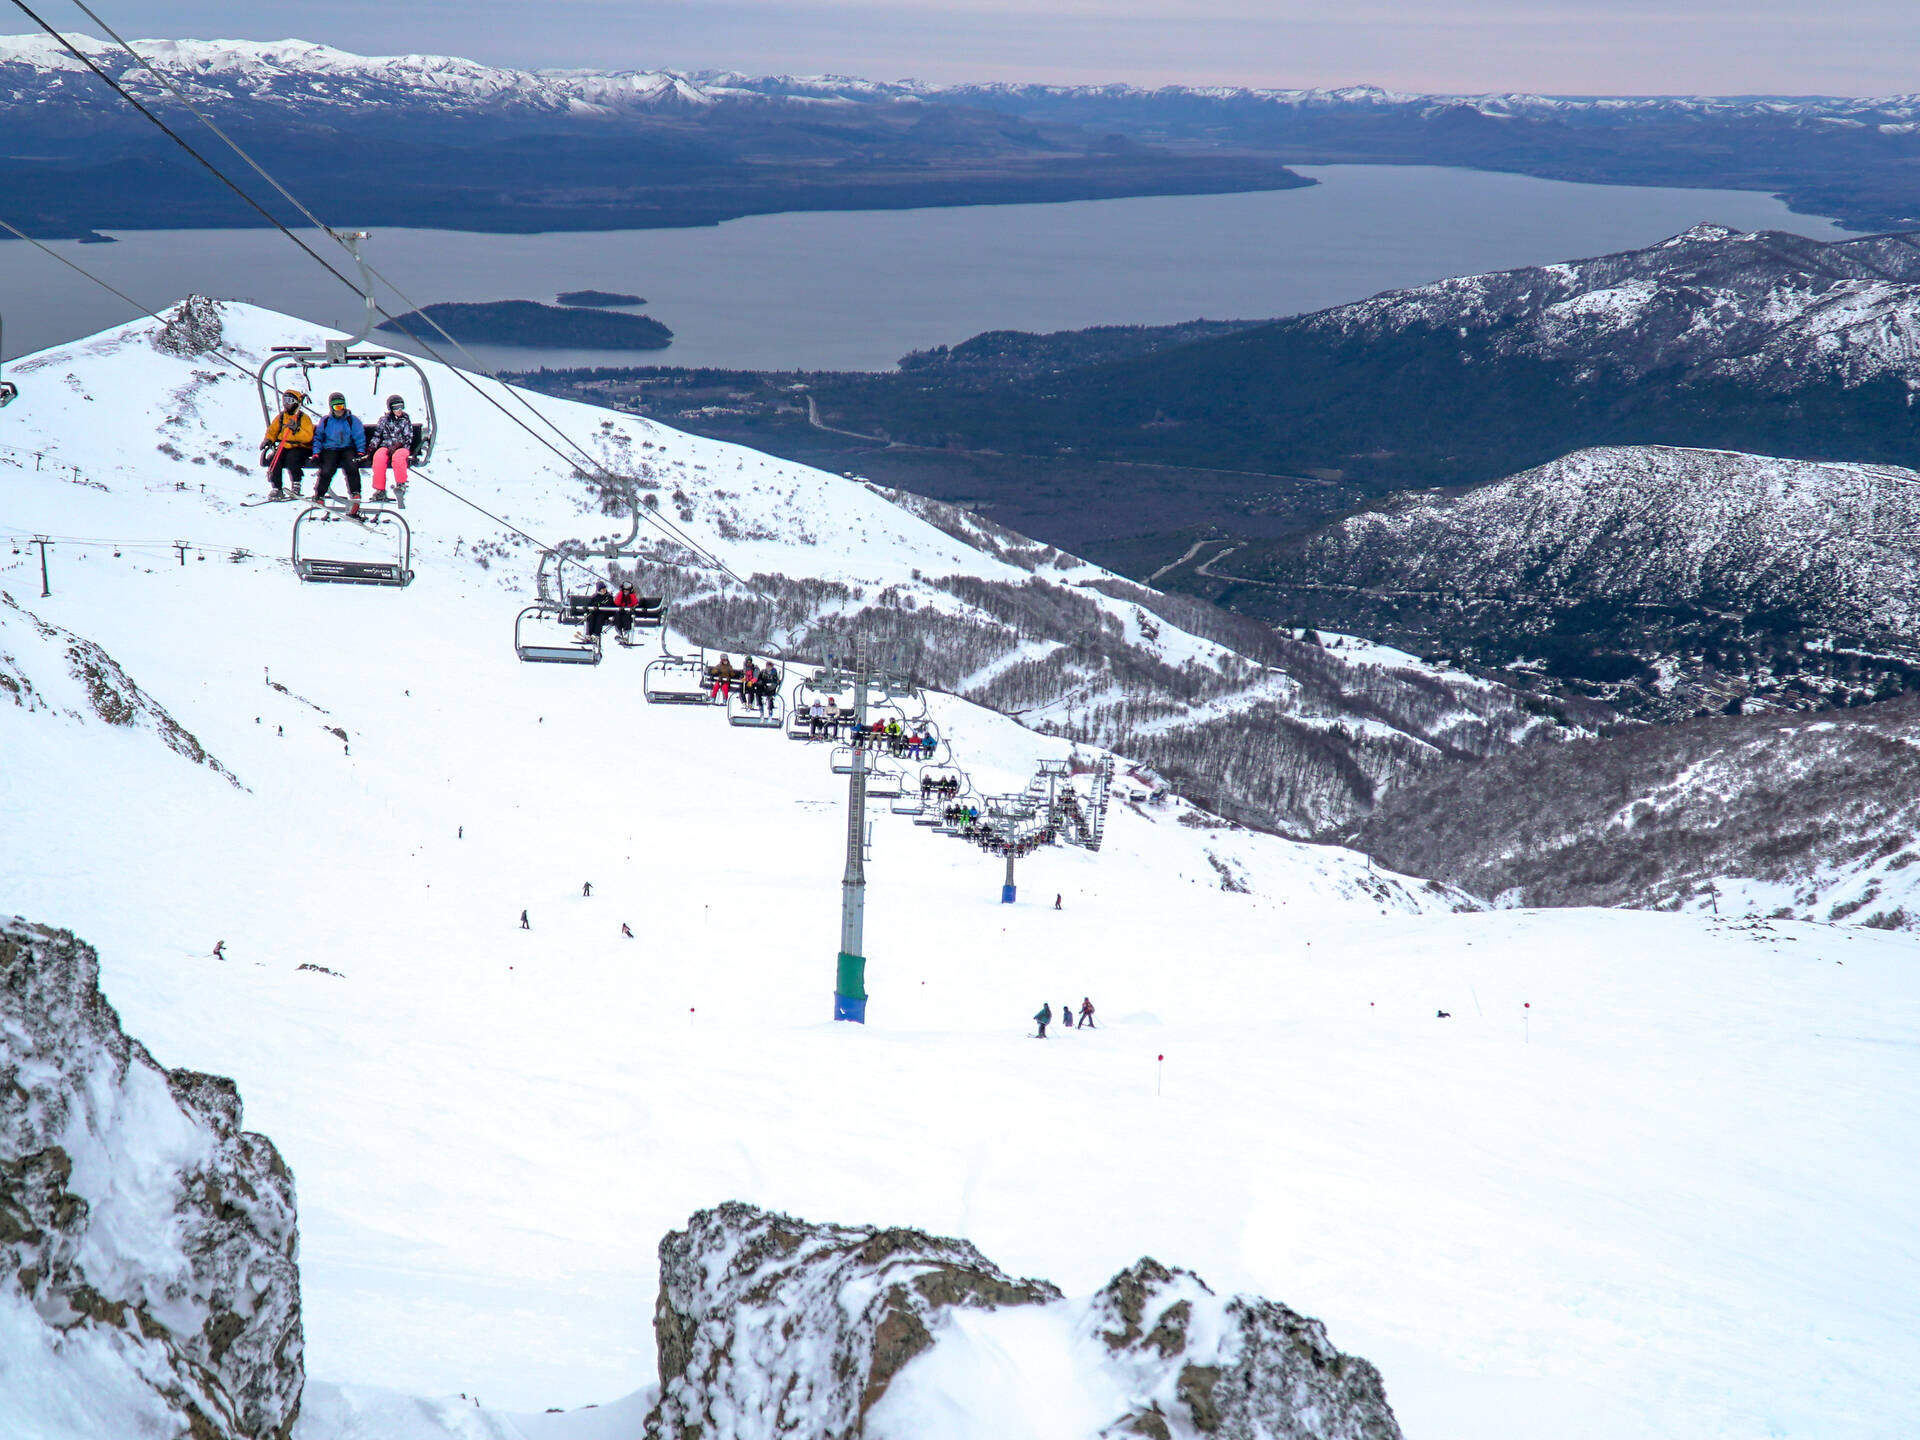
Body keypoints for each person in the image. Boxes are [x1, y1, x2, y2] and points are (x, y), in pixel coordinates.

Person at [311, 392, 367, 514]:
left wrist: (360, 451)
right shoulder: (326, 421)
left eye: (341, 406)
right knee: (327, 469)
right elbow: (318, 437)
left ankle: (355, 493)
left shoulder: (351, 420)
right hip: (330, 448)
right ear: (332, 408)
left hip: (347, 447)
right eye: (337, 407)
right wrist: (316, 453)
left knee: (352, 466)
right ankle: (319, 495)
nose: (340, 410)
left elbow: (359, 436)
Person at [262, 389, 313, 499]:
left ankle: (296, 484)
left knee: (292, 458)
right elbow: (272, 431)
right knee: (275, 458)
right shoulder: (281, 417)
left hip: (301, 446)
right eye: (285, 400)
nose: (286, 404)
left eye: (289, 401)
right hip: (285, 445)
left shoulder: (303, 418)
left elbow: (308, 436)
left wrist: (296, 430)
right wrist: (268, 440)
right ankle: (277, 487)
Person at [368, 394, 418, 503]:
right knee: (379, 458)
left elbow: (408, 437)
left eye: (401, 407)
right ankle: (380, 490)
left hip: (401, 447)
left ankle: (401, 484)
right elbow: (377, 435)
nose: (399, 410)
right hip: (386, 445)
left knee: (398, 457)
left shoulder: (405, 420)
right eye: (396, 407)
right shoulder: (384, 420)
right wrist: (371, 447)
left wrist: (398, 445)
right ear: (390, 408)